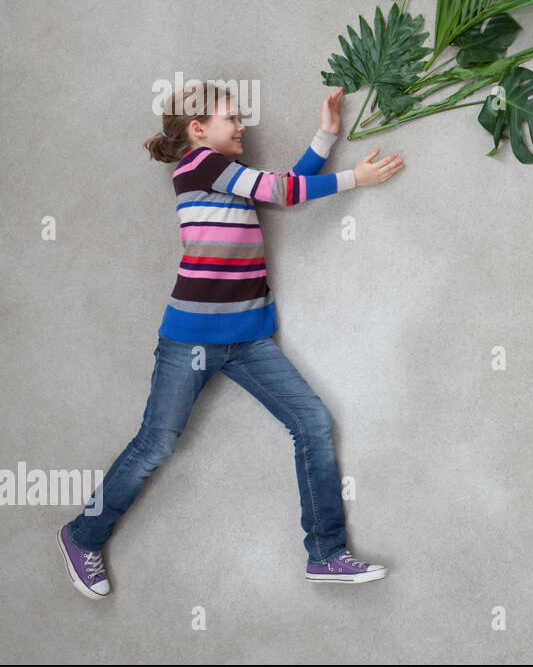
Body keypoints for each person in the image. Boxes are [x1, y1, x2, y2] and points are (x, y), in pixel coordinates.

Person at [57, 83, 402, 598]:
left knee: (311, 422)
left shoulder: (227, 175)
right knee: (156, 444)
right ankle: (82, 534)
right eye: (230, 118)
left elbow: (279, 188)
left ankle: (327, 554)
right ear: (199, 131)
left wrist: (327, 135)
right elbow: (283, 192)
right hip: (189, 337)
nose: (241, 125)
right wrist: (357, 178)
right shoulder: (199, 166)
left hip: (249, 338)